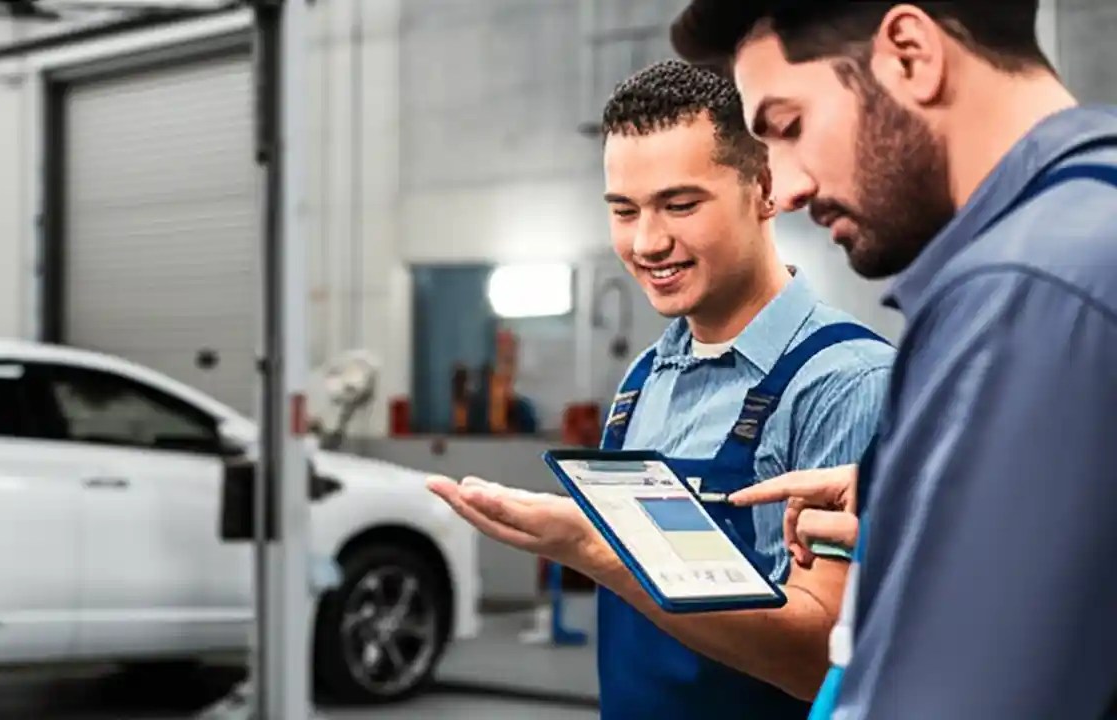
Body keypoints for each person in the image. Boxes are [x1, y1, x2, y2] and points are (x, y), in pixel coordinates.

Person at [671, 1, 1117, 718]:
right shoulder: (1093, 221)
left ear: (911, 53)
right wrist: (921, 499)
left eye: (788, 128)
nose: (783, 190)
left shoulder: (1022, 291)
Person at [427, 61, 895, 719]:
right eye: (625, 210)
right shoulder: (645, 378)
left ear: (763, 188)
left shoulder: (847, 382)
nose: (649, 242)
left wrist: (591, 549)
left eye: (680, 205)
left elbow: (820, 661)